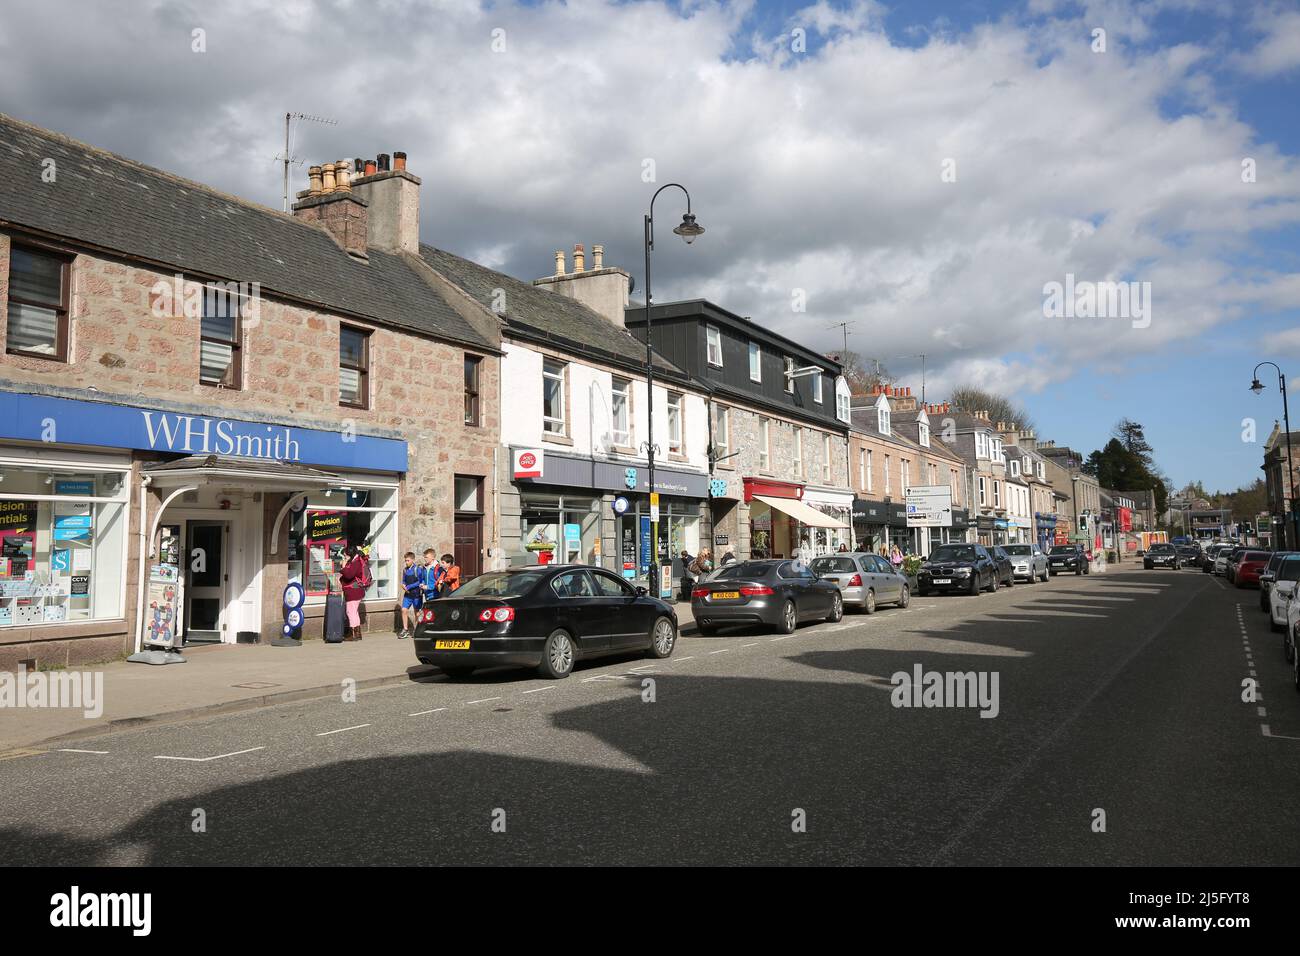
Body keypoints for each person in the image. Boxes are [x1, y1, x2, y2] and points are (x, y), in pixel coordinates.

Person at [339, 543, 370, 642]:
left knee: (350, 612)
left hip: (354, 592)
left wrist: (343, 567)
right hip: (356, 591)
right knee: (354, 612)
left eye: (345, 555)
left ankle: (353, 634)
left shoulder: (356, 562)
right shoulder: (356, 560)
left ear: (350, 554)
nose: (345, 557)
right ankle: (357, 633)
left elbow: (349, 575)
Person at [399, 551, 422, 639]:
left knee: (417, 612)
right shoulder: (405, 570)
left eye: (408, 560)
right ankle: (405, 629)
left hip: (416, 594)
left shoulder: (418, 569)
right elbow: (404, 580)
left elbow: (420, 581)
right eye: (405, 560)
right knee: (404, 610)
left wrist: (409, 586)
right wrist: (404, 585)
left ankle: (417, 630)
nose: (406, 562)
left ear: (413, 560)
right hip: (408, 595)